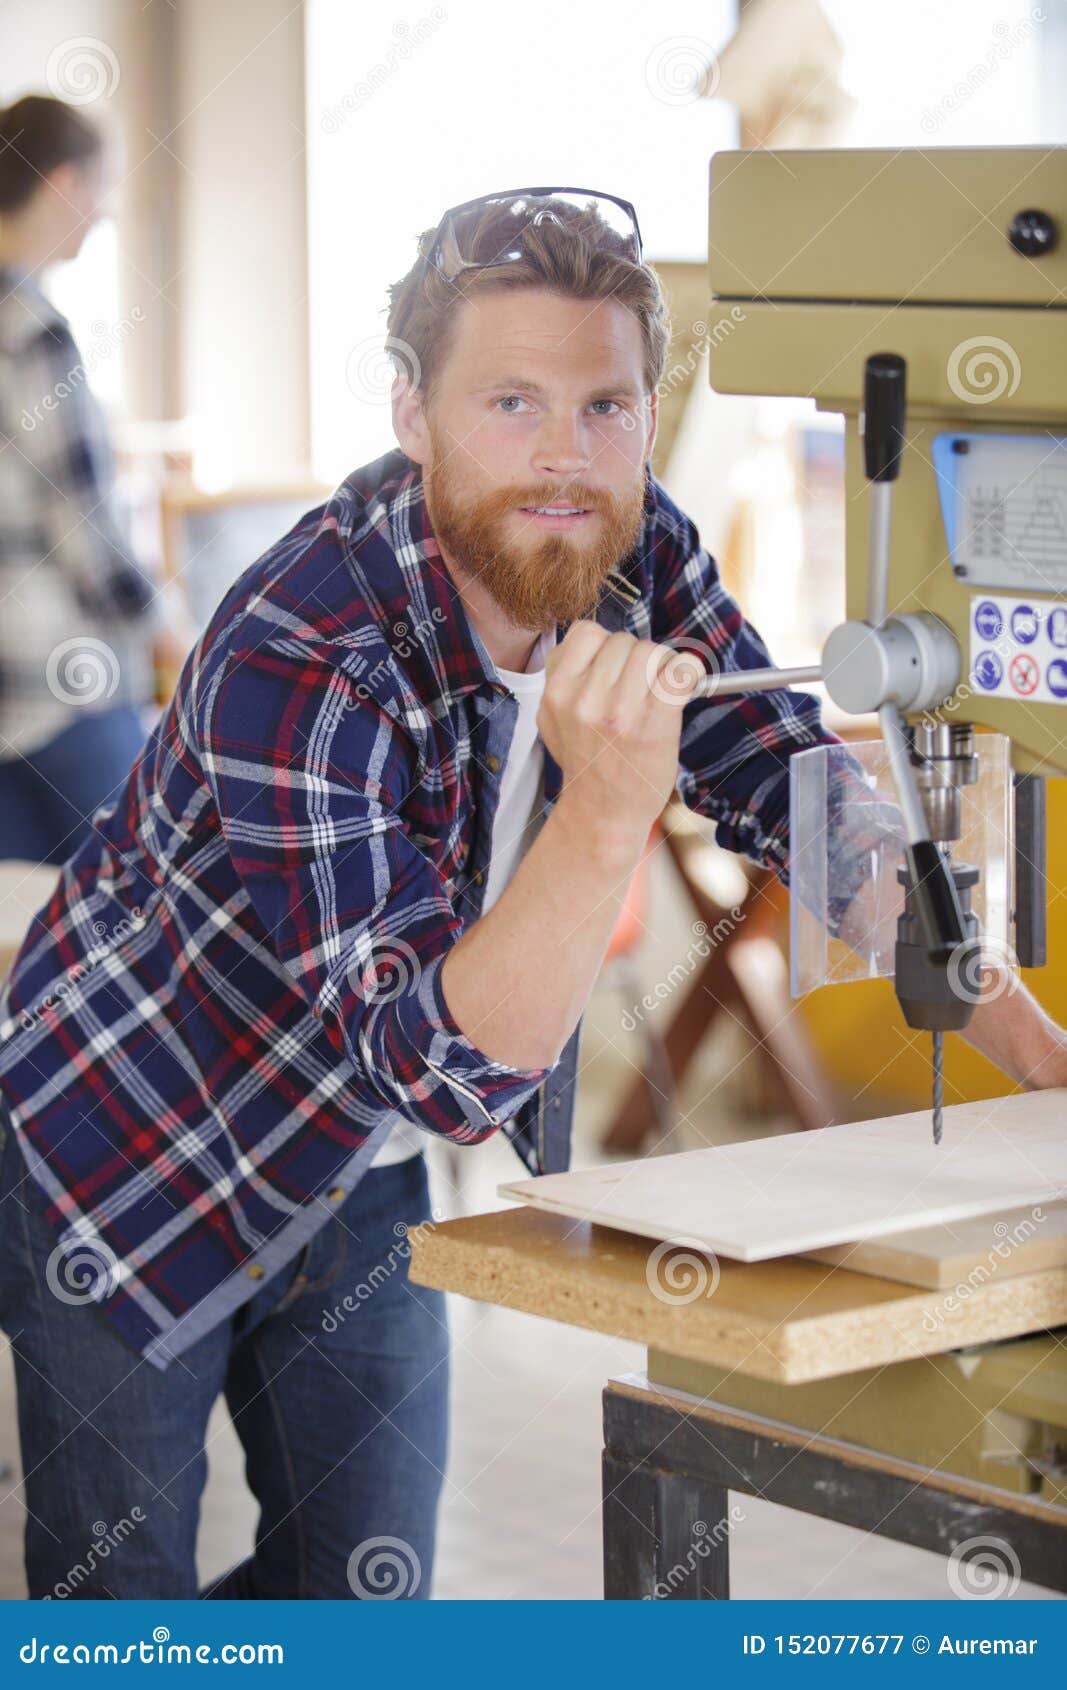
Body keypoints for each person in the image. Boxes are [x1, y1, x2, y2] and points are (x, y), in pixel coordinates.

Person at [0, 188, 1063, 1601]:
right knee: (118, 1619)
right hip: (126, 1144)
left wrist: (1034, 1057)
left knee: (365, 1596)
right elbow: (440, 1067)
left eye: (603, 407)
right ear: (410, 413)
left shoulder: (631, 544)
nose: (563, 457)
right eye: (509, 401)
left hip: (352, 1154)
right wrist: (610, 807)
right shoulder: (301, 647)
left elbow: (786, 777)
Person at [0, 94, 174, 864]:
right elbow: (84, 527)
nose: (99, 215)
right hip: (59, 686)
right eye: (100, 191)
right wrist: (169, 629)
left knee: (20, 943)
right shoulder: (30, 328)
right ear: (65, 182)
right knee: (137, 913)